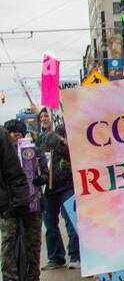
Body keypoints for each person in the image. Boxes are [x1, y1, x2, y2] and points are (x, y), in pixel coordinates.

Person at [1, 121, 42, 281]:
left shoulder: (32, 150)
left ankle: (33, 279)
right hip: (10, 204)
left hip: (30, 202)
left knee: (33, 242)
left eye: (17, 132)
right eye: (11, 132)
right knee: (8, 241)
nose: (14, 136)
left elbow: (14, 173)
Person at [33, 109, 79, 269]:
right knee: (50, 223)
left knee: (72, 221)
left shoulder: (65, 134)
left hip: (66, 185)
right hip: (49, 189)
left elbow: (71, 154)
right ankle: (56, 257)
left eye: (47, 115)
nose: (44, 118)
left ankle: (76, 255)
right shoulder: (40, 140)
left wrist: (58, 141)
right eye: (42, 116)